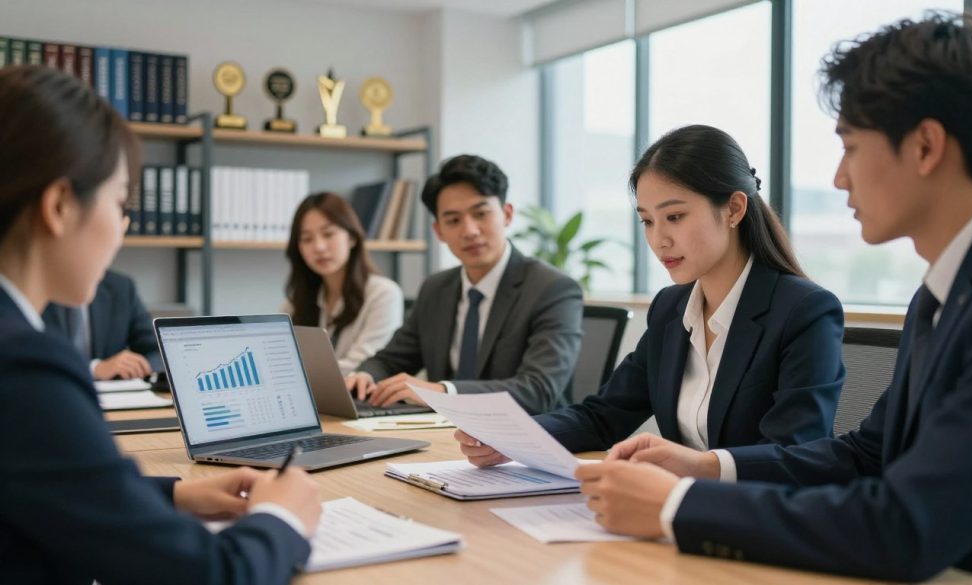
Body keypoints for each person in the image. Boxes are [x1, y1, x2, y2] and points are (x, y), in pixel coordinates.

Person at [572, 13, 972, 583]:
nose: (838, 179)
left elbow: (907, 526)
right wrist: (708, 467)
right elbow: (866, 454)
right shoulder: (943, 293)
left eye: (851, 147)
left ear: (926, 146)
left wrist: (676, 506)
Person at [0, 65, 321, 584]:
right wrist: (282, 517)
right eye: (120, 202)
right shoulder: (23, 363)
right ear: (59, 206)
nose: (122, 227)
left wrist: (172, 494)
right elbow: (208, 575)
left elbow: (35, 484)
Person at [458, 125, 845, 465]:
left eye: (674, 216)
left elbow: (795, 451)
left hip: (753, 519)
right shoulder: (671, 309)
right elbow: (604, 415)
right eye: (647, 221)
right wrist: (513, 437)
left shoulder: (803, 311)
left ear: (733, 209)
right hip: (673, 510)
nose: (659, 239)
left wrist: (698, 466)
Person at [345, 154, 583, 415]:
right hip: (446, 435)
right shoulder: (436, 288)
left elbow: (538, 389)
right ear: (439, 232)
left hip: (526, 440)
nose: (469, 230)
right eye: (454, 220)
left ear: (506, 214)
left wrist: (443, 392)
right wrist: (365, 375)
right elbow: (391, 359)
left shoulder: (552, 289)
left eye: (481, 214)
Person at [283, 191, 403, 374]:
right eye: (307, 239)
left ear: (352, 238)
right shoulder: (296, 302)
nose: (319, 247)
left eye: (328, 234)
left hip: (362, 399)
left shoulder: (383, 293)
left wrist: (298, 375)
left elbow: (366, 365)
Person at [42, 268, 162, 380]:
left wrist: (138, 367)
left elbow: (159, 352)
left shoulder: (121, 287)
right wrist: (94, 369)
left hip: (116, 397)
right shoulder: (39, 285)